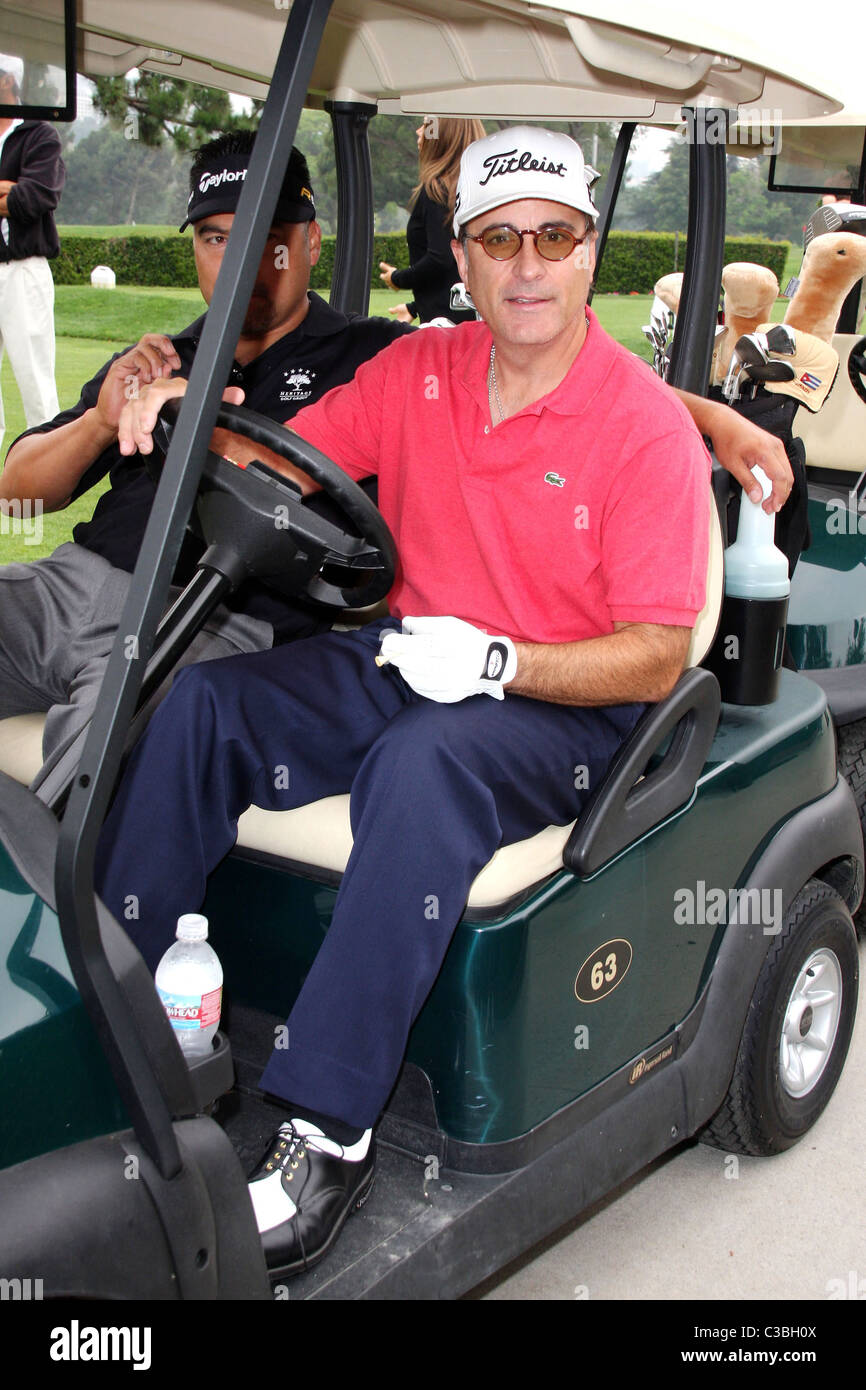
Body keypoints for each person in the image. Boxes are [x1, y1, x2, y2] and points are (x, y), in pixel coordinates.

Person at [94, 125, 795, 1281]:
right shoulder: (417, 375)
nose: (526, 264)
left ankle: (326, 1128)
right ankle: (123, 1037)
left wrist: (496, 665)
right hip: (407, 653)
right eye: (496, 239)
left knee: (422, 764)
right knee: (204, 704)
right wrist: (184, 417)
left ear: (586, 254)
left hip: (568, 702)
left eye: (553, 237)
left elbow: (657, 653)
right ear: (459, 260)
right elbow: (290, 462)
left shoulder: (637, 427)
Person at [0, 130, 412, 779]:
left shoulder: (374, 357)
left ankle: (57, 882)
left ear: (311, 241)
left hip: (212, 619)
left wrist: (200, 422)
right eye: (217, 238)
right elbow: (18, 488)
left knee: (100, 742)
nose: (241, 258)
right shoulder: (163, 356)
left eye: (267, 236)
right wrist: (102, 423)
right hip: (67, 586)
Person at [0, 54, 65, 453]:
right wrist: (7, 189)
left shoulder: (38, 134)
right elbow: (16, 195)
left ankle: (45, 466)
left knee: (36, 380)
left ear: (10, 80)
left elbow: (35, 197)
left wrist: (15, 193)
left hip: (23, 271)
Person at [379, 116, 485, 323]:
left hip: (446, 327)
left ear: (443, 134)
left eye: (428, 126)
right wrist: (414, 308)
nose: (420, 131)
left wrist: (398, 278)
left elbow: (440, 259)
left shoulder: (436, 190)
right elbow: (456, 269)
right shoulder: (473, 190)